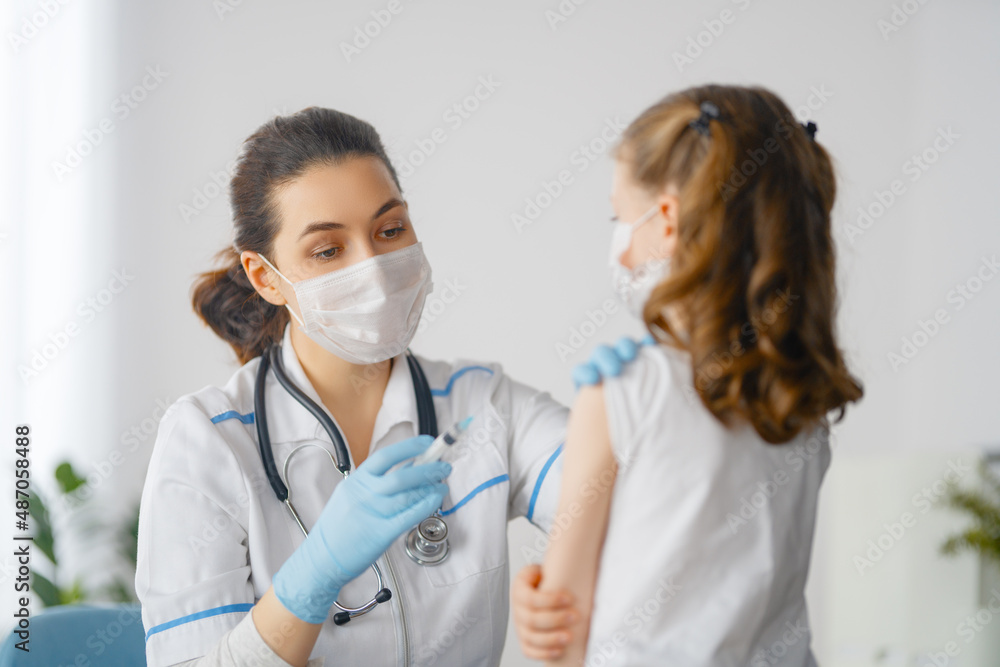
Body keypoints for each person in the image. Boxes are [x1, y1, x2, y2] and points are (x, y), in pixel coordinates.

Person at [134, 107, 634, 666]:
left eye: (390, 229)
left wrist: (638, 402)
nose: (374, 267)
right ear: (265, 278)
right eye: (328, 250)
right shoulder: (208, 441)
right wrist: (314, 574)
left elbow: (643, 513)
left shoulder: (484, 403)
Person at [514, 84, 864, 666]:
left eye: (620, 217)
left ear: (668, 220)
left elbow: (562, 637)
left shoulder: (621, 392)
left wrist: (540, 608)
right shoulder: (802, 402)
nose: (620, 247)